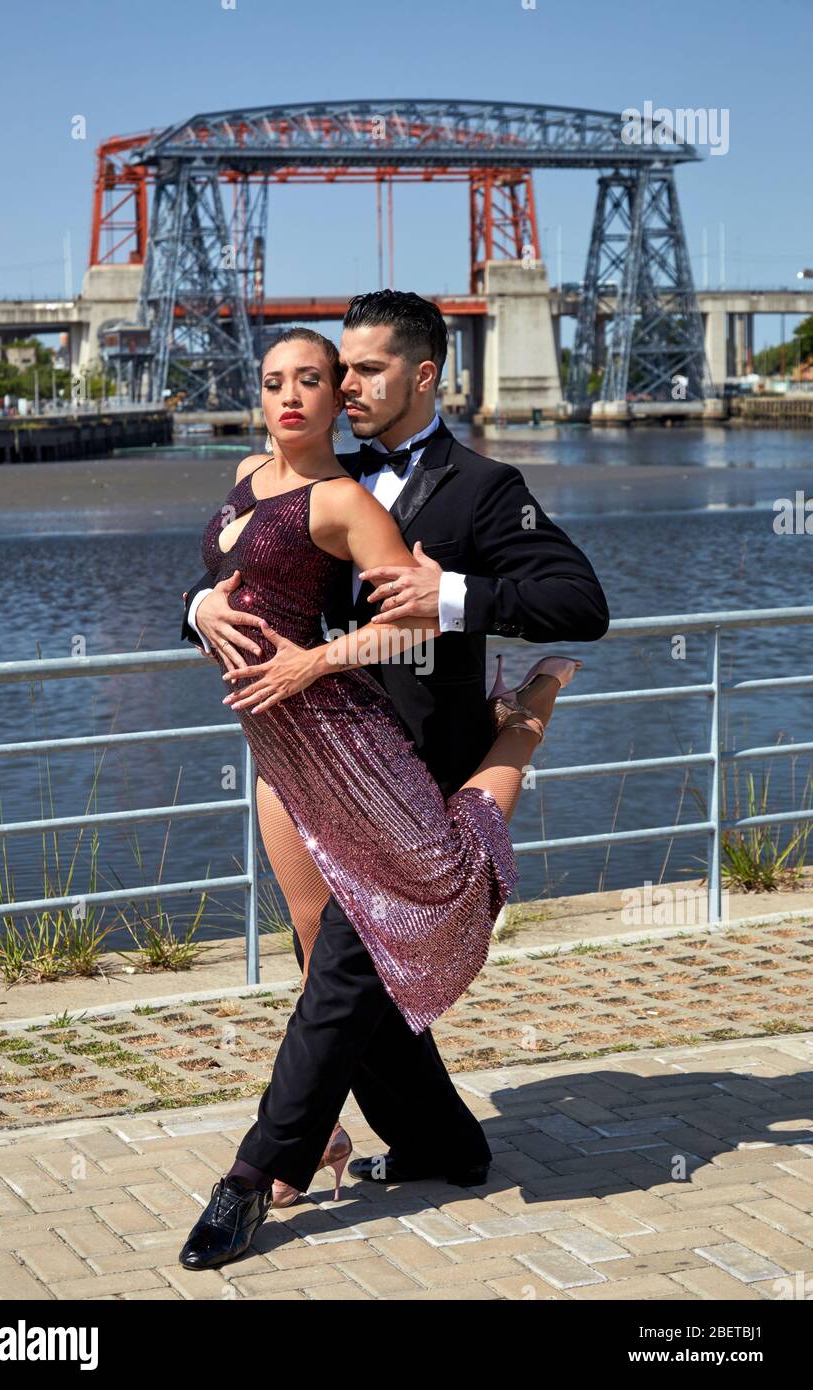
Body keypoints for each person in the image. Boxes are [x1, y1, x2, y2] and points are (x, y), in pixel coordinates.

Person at [178, 294, 609, 1270]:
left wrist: (451, 594)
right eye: (342, 367)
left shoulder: (483, 489)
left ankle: (256, 1173)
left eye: (368, 370)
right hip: (302, 759)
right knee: (335, 975)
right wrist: (198, 603)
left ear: (423, 375)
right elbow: (257, 588)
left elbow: (579, 602)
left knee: (340, 974)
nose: (346, 385)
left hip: (410, 776)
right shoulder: (316, 477)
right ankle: (441, 1144)